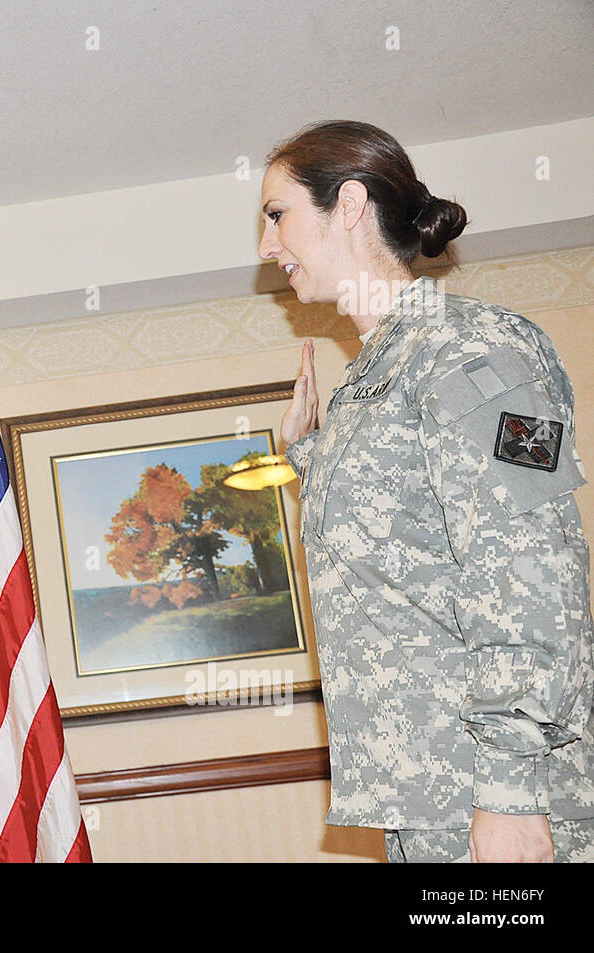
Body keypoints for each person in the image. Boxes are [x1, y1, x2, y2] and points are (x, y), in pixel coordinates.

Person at [263, 121, 594, 863]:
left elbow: (532, 567)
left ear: (348, 203)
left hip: (500, 796)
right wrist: (312, 454)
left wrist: (510, 791)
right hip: (426, 801)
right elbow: (406, 558)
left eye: (278, 213)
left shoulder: (473, 348)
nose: (266, 245)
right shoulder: (369, 382)